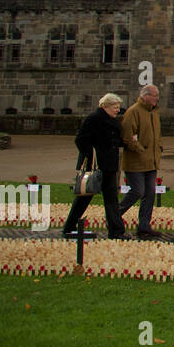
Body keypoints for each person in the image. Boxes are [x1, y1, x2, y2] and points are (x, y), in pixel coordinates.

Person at [62, 93, 126, 239]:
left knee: (111, 199)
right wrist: (93, 155)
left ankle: (116, 231)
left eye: (118, 107)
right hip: (95, 166)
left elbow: (115, 140)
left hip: (109, 166)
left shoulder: (113, 121)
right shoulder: (93, 119)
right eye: (115, 107)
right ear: (105, 106)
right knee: (84, 196)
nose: (117, 110)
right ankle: (69, 227)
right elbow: (80, 140)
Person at [118, 84, 164, 239]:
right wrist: (141, 151)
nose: (157, 98)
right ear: (145, 95)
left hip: (151, 161)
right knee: (137, 191)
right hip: (136, 162)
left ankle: (144, 227)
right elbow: (127, 137)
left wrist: (158, 148)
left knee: (149, 194)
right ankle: (114, 215)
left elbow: (156, 135)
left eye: (157, 96)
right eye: (154, 95)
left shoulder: (154, 113)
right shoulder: (133, 112)